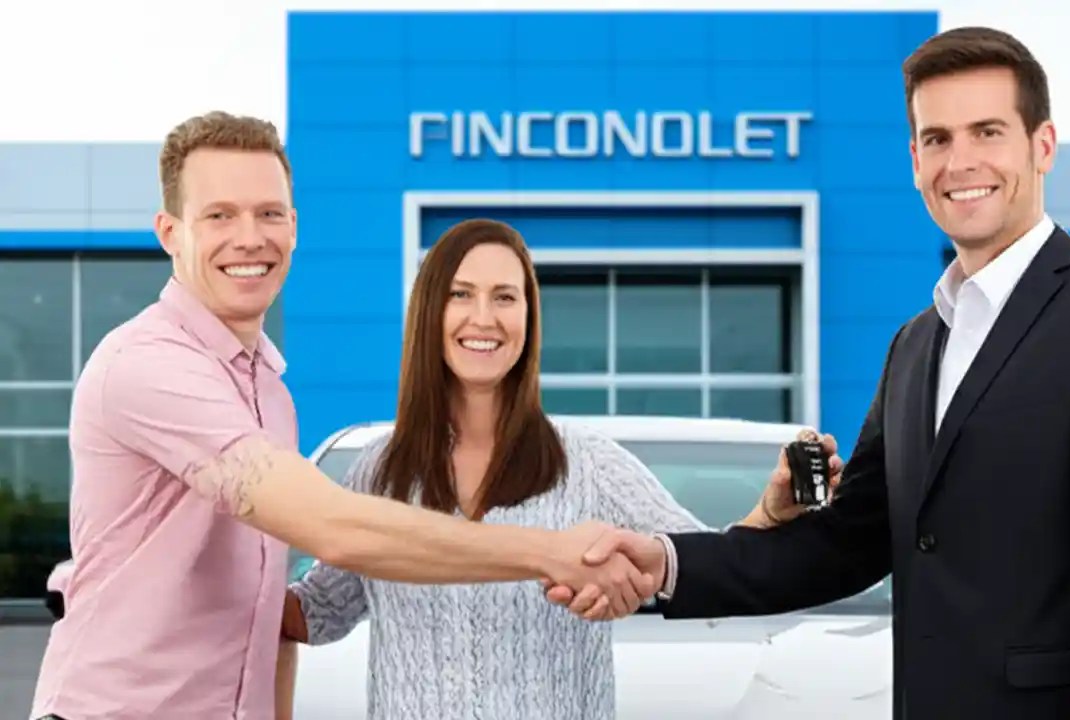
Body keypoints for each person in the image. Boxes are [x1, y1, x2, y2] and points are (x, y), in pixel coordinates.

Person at [548, 26, 1070, 720]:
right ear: (913, 159)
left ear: (1042, 144)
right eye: (937, 139)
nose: (959, 162)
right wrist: (664, 563)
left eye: (987, 132)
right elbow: (847, 543)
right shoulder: (916, 345)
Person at [28, 112, 656, 720]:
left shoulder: (269, 392)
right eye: (219, 215)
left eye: (269, 213)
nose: (250, 237)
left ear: (294, 227)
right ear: (170, 232)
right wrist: (552, 553)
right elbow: (335, 531)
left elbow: (269, 610)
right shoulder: (149, 365)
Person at [273, 218, 835, 720]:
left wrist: (768, 514)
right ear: (429, 312)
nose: (483, 317)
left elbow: (707, 568)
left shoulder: (588, 464)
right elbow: (316, 611)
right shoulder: (378, 472)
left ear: (529, 316)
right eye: (460, 294)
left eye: (505, 297)